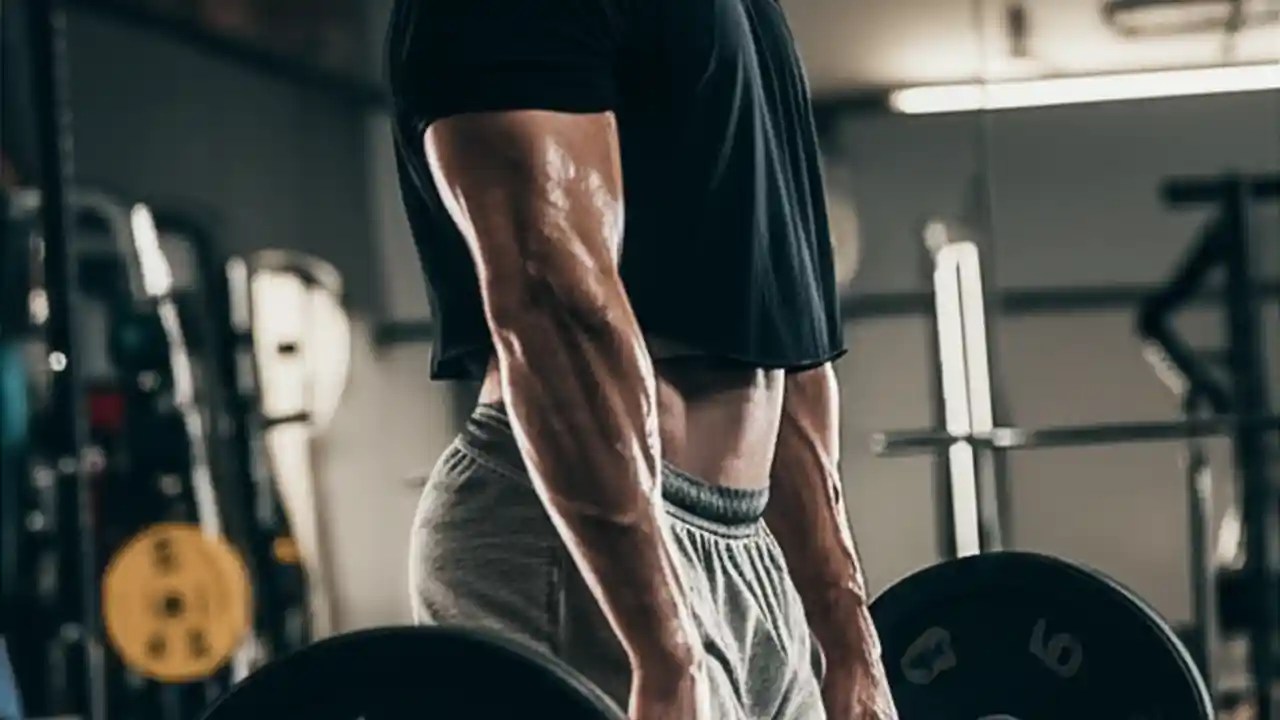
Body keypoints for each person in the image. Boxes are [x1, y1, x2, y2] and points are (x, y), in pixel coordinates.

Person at [385, 0, 897, 716]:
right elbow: (550, 295)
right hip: (584, 541)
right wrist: (662, 650)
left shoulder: (752, 14)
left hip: (750, 548)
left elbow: (786, 333)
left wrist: (844, 631)